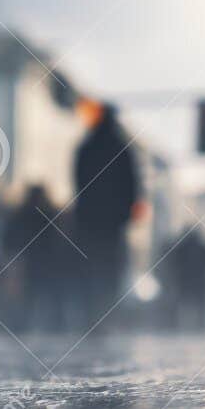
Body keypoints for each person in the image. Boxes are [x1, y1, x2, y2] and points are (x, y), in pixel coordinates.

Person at [72, 105, 140, 328]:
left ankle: (92, 314)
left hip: (90, 220)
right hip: (113, 221)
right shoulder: (122, 148)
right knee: (110, 269)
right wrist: (127, 212)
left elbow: (79, 183)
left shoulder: (87, 146)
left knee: (90, 268)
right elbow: (132, 185)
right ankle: (105, 314)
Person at [3, 185, 76, 332]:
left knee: (32, 300)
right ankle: (55, 328)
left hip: (34, 266)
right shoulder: (49, 215)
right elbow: (61, 241)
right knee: (49, 300)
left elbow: (8, 240)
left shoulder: (23, 215)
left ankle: (21, 328)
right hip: (45, 266)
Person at [162, 226, 205, 331]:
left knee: (184, 303)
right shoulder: (202, 247)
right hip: (199, 281)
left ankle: (180, 325)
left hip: (186, 280)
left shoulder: (182, 247)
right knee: (200, 304)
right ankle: (201, 325)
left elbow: (172, 261)